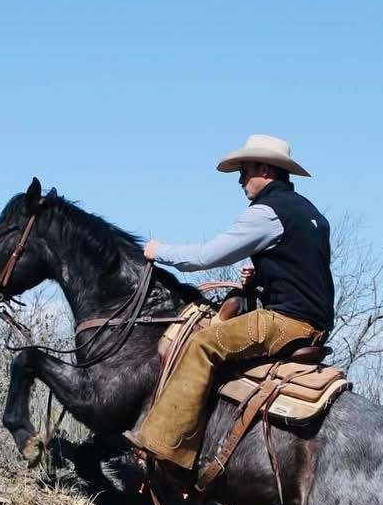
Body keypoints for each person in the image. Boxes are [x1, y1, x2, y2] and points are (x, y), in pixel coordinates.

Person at [126, 133, 335, 470]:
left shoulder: (268, 212)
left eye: (245, 171)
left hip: (286, 322)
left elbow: (206, 256)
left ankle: (164, 446)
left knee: (203, 344)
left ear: (265, 170)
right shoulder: (311, 213)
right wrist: (262, 277)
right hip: (313, 324)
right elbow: (302, 270)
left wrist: (157, 250)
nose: (240, 180)